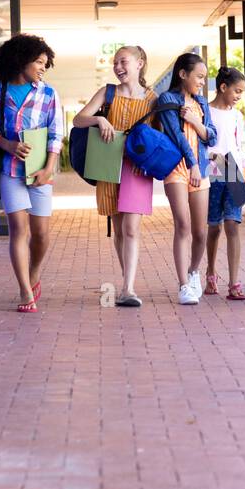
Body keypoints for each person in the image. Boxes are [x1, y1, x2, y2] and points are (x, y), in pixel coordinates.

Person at [0, 33, 62, 312]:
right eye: (38, 62)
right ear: (21, 60)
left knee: (40, 234)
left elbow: (56, 134)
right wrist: (8, 144)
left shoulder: (48, 93)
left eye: (44, 63)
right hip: (10, 170)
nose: (42, 68)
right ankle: (25, 291)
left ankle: (35, 271)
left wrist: (49, 169)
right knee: (19, 230)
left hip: (40, 172)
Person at [72, 45, 155, 307]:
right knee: (119, 229)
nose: (118, 67)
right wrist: (99, 120)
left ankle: (128, 288)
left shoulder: (154, 100)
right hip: (108, 166)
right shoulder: (107, 93)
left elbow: (158, 137)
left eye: (123, 61)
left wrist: (150, 162)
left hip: (137, 168)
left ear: (139, 63)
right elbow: (78, 119)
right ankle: (125, 282)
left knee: (131, 227)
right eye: (115, 63)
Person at [154, 51, 217, 305]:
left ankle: (193, 273)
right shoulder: (167, 99)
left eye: (204, 77)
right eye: (199, 76)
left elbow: (211, 136)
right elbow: (176, 136)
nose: (202, 82)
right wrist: (191, 164)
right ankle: (183, 285)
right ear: (183, 74)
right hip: (177, 169)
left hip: (200, 170)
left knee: (201, 232)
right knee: (182, 225)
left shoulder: (201, 104)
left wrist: (195, 121)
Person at [203, 66, 245, 300]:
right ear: (223, 87)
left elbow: (237, 151)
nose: (239, 96)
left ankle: (234, 283)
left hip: (234, 173)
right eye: (237, 90)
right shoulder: (204, 111)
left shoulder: (237, 116)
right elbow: (200, 146)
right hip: (212, 175)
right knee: (213, 228)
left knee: (232, 226)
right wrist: (212, 158)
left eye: (242, 92)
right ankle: (211, 273)